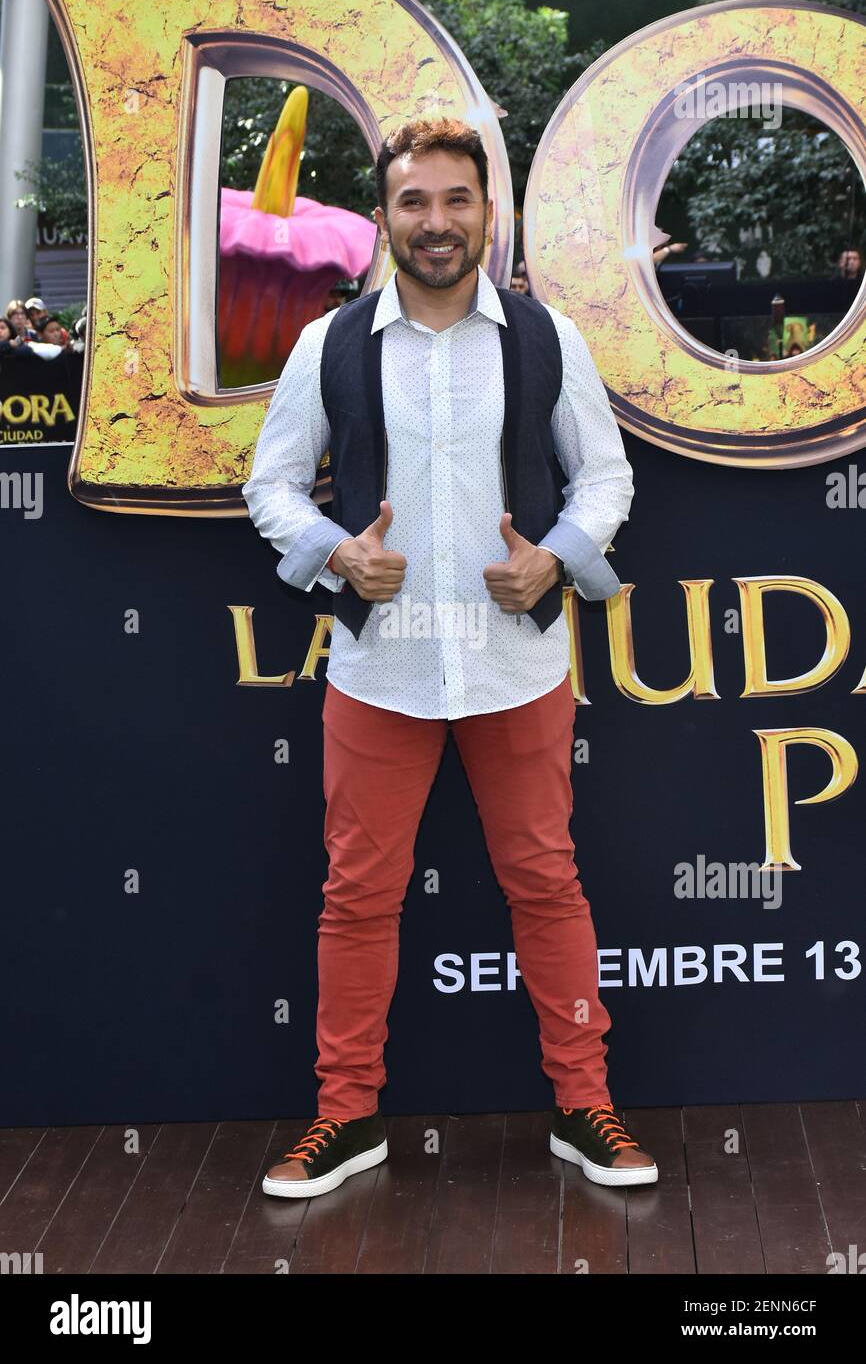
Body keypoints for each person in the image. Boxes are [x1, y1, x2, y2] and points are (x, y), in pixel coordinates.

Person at [243, 115, 656, 1201]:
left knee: (547, 886)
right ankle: (345, 1120)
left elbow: (604, 480)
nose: (435, 222)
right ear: (382, 219)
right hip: (381, 670)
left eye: (454, 200)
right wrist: (332, 552)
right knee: (356, 896)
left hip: (514, 663)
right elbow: (271, 485)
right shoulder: (328, 345)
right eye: (413, 202)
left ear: (487, 214)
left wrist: (555, 560)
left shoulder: (542, 338)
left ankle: (582, 1105)